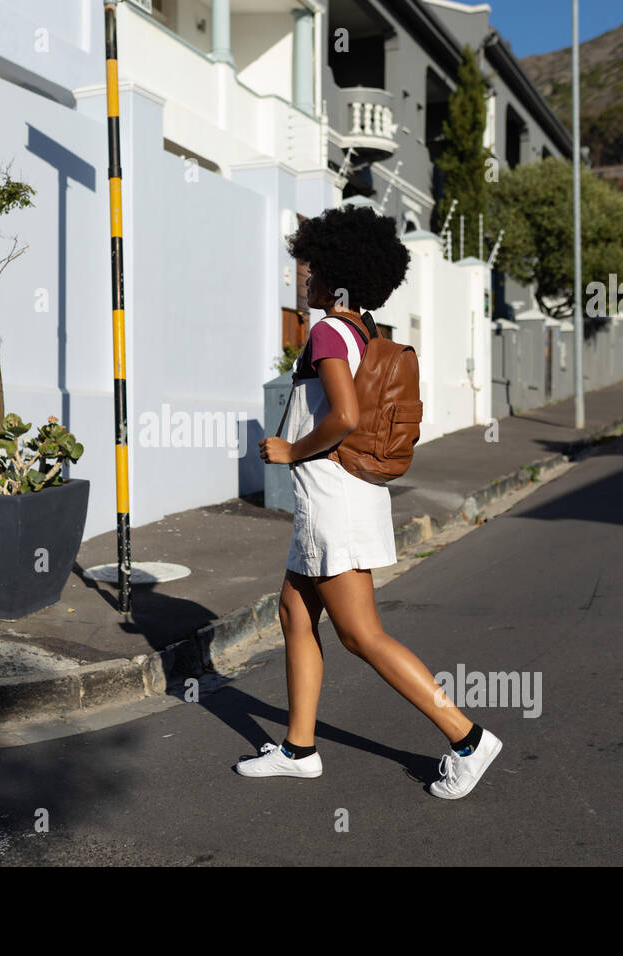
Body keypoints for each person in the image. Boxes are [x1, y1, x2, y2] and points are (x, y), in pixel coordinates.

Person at [240, 204, 501, 799]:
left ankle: (466, 738)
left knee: (360, 634)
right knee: (293, 613)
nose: (299, 277)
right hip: (336, 498)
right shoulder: (363, 329)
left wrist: (291, 451)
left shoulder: (329, 331)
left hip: (334, 498)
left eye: (307, 267)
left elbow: (346, 416)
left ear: (335, 273)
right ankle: (299, 749)